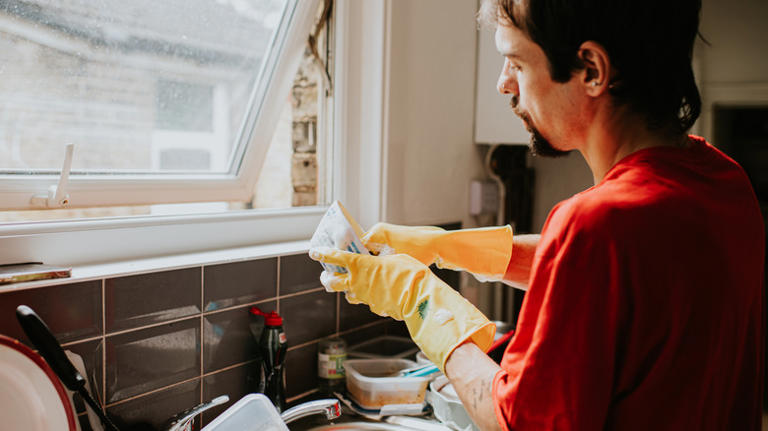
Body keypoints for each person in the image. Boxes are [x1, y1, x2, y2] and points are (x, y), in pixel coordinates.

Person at [310, 0, 765, 429]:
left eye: (518, 63)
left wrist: (423, 302)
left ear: (591, 69)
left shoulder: (598, 224)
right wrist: (443, 248)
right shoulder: (724, 183)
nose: (503, 83)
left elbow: (516, 420)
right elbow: (606, 276)